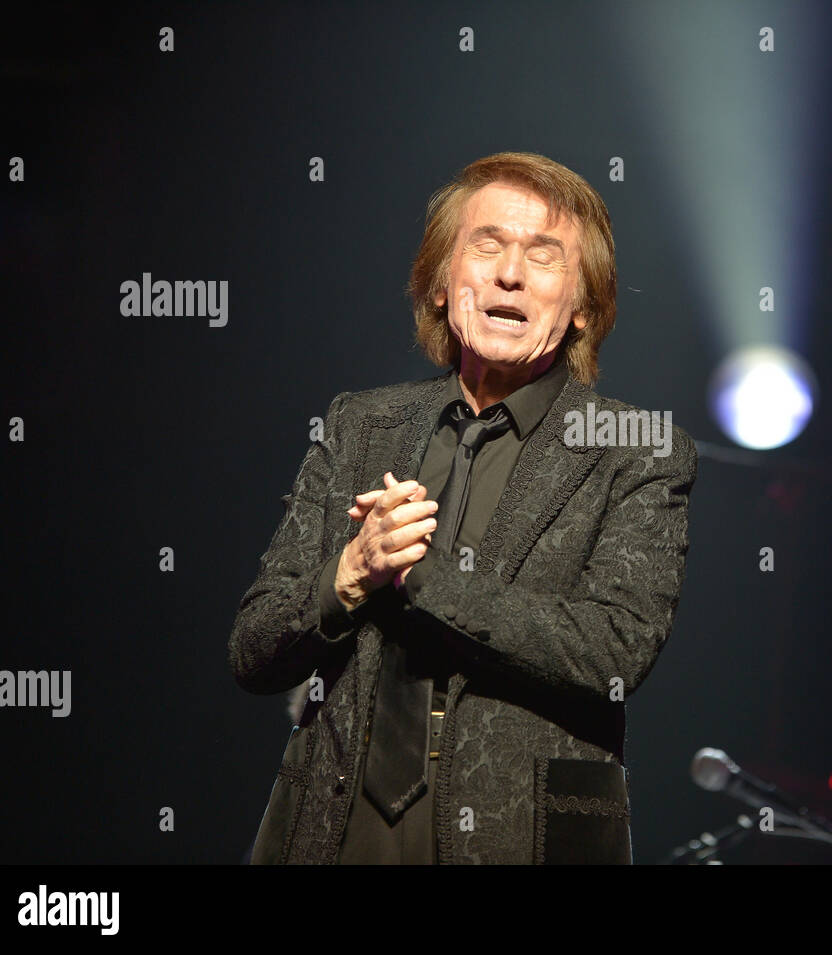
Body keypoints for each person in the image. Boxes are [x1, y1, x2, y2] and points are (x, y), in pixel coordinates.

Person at [228, 151, 697, 863]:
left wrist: (423, 577)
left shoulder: (636, 449)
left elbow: (613, 649)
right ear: (442, 285)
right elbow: (253, 648)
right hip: (331, 831)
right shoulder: (359, 424)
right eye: (487, 245)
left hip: (522, 832)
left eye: (543, 256)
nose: (510, 273)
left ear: (581, 307)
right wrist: (352, 571)